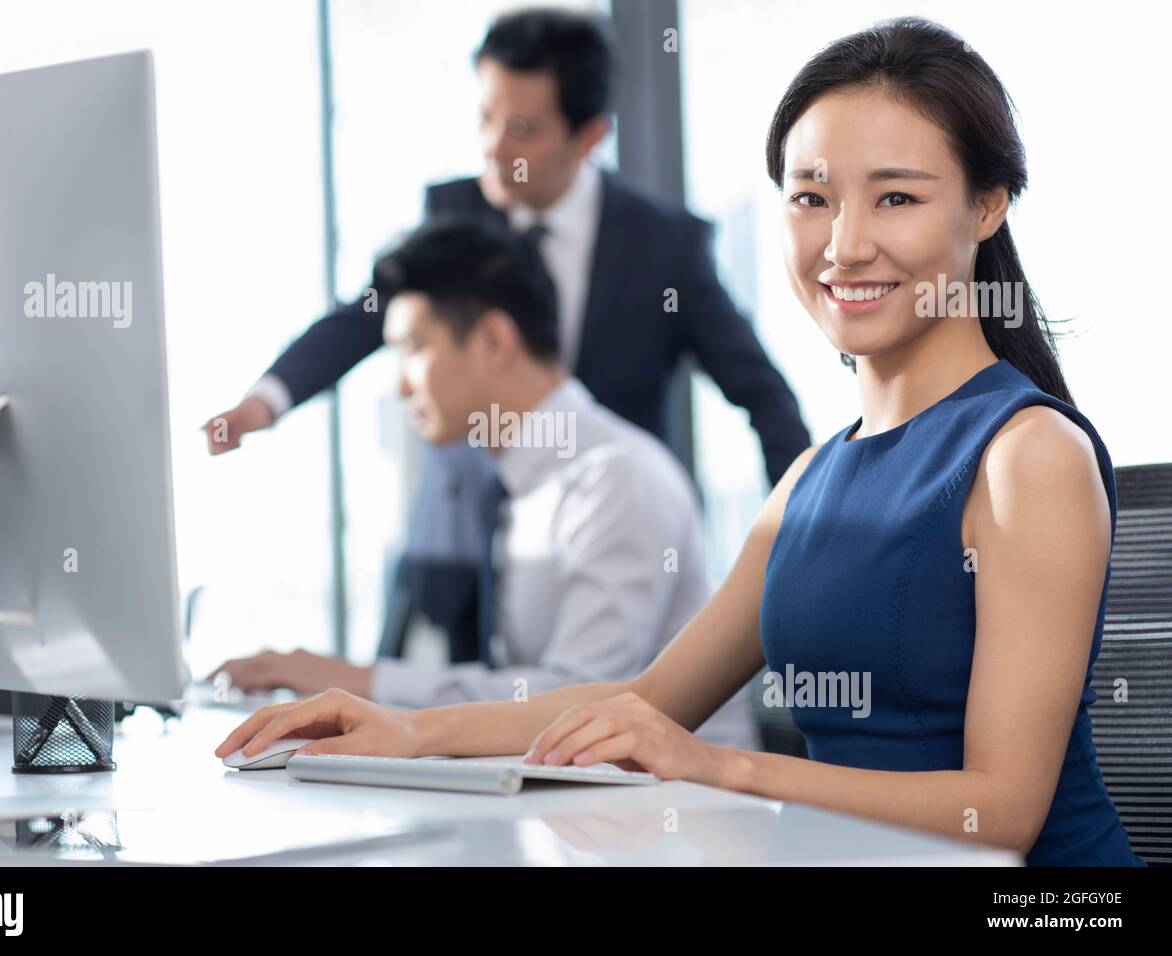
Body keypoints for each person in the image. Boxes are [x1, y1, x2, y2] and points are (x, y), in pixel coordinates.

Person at [216, 17, 1144, 866]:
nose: (845, 244)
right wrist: (413, 731)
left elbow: (1004, 812)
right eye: (810, 198)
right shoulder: (813, 478)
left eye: (895, 198)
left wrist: (717, 769)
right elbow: (650, 700)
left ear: (988, 207)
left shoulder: (1029, 456)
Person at [202, 7, 810, 663]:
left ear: (589, 137)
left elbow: (761, 395)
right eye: (485, 118)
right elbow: (364, 317)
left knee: (552, 710)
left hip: (602, 536)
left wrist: (799, 549)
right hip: (458, 542)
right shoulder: (454, 214)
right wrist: (266, 401)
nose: (493, 145)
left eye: (520, 129)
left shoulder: (662, 246)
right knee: (440, 719)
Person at [212, 219, 756, 748]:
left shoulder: (615, 478)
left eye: (414, 348)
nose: (401, 385)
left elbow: (574, 700)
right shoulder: (522, 482)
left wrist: (360, 683)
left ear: (494, 340)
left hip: (682, 818)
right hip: (599, 809)